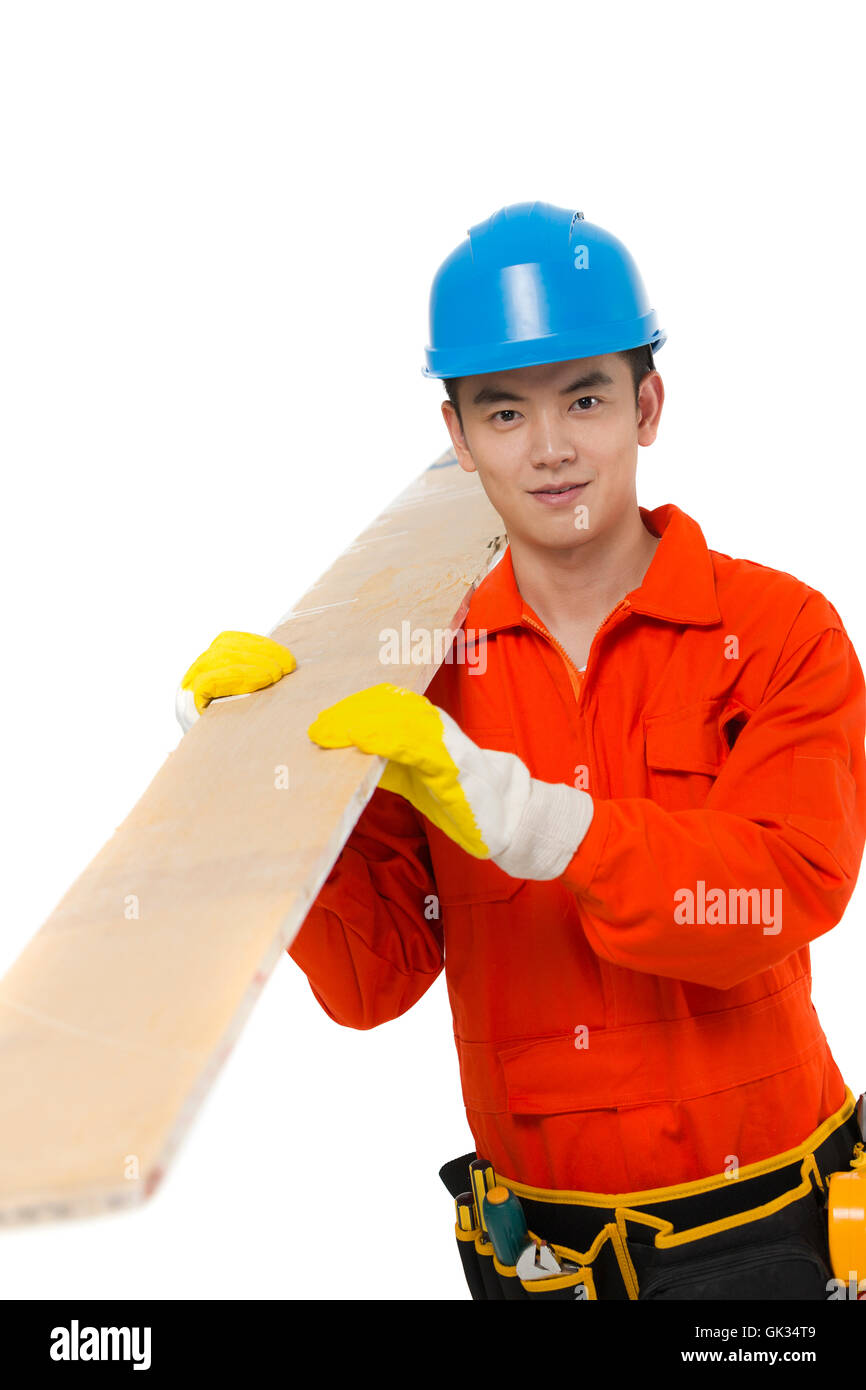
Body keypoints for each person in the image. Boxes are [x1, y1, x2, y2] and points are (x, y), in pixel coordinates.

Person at [178, 202, 866, 1300]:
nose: (547, 448)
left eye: (582, 398)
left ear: (645, 405)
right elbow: (374, 978)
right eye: (503, 411)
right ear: (455, 439)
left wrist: (523, 814)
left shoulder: (777, 632)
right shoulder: (415, 669)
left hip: (769, 1240)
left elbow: (776, 892)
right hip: (544, 1266)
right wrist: (258, 784)